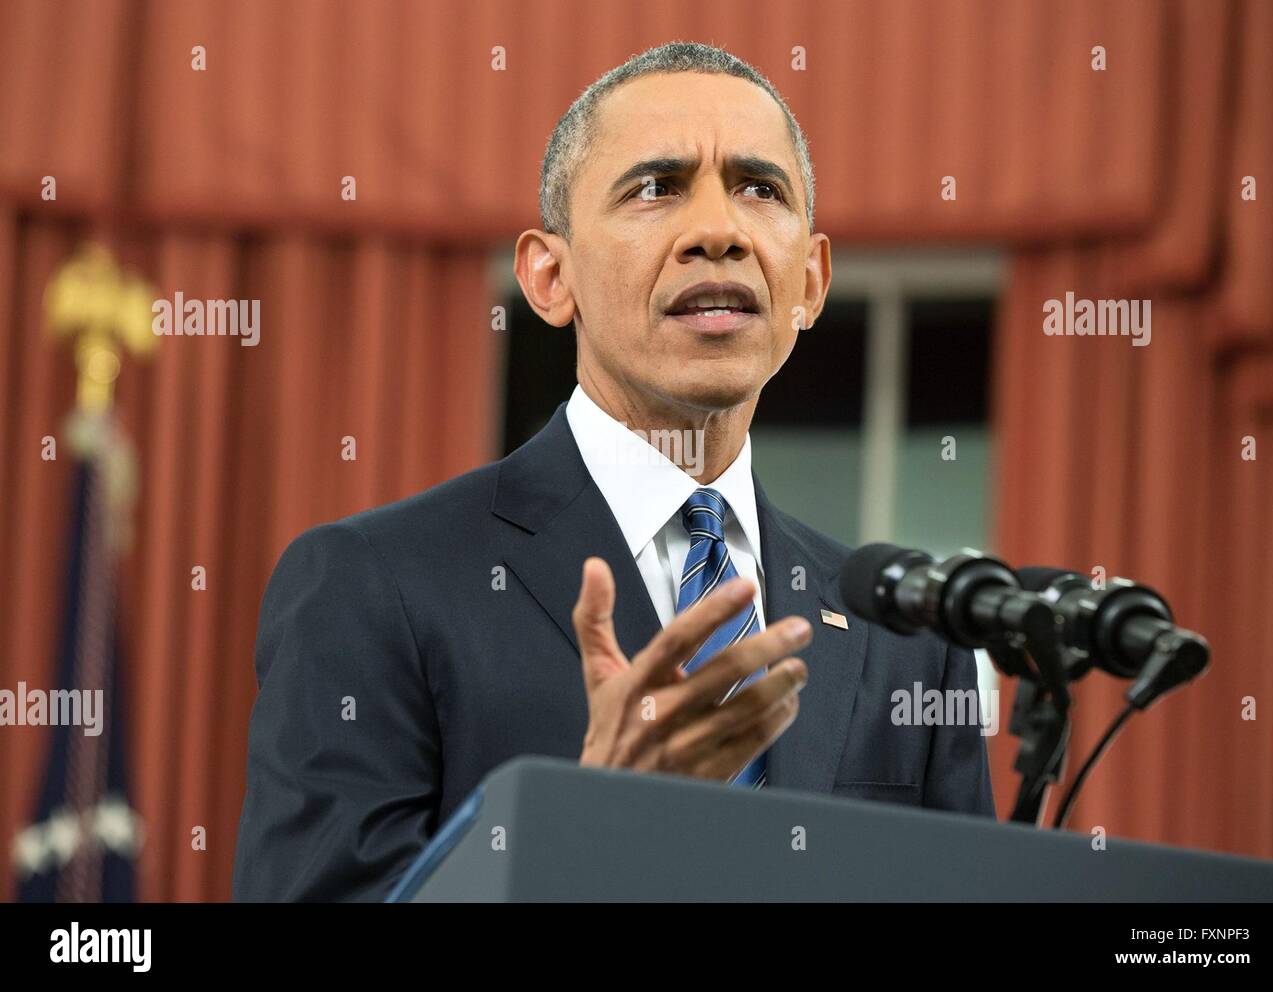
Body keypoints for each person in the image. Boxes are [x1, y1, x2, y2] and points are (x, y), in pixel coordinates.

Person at [232, 41, 993, 902]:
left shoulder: (911, 646)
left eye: (760, 189)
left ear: (809, 282)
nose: (719, 231)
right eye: (657, 188)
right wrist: (589, 830)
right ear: (550, 278)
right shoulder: (371, 587)